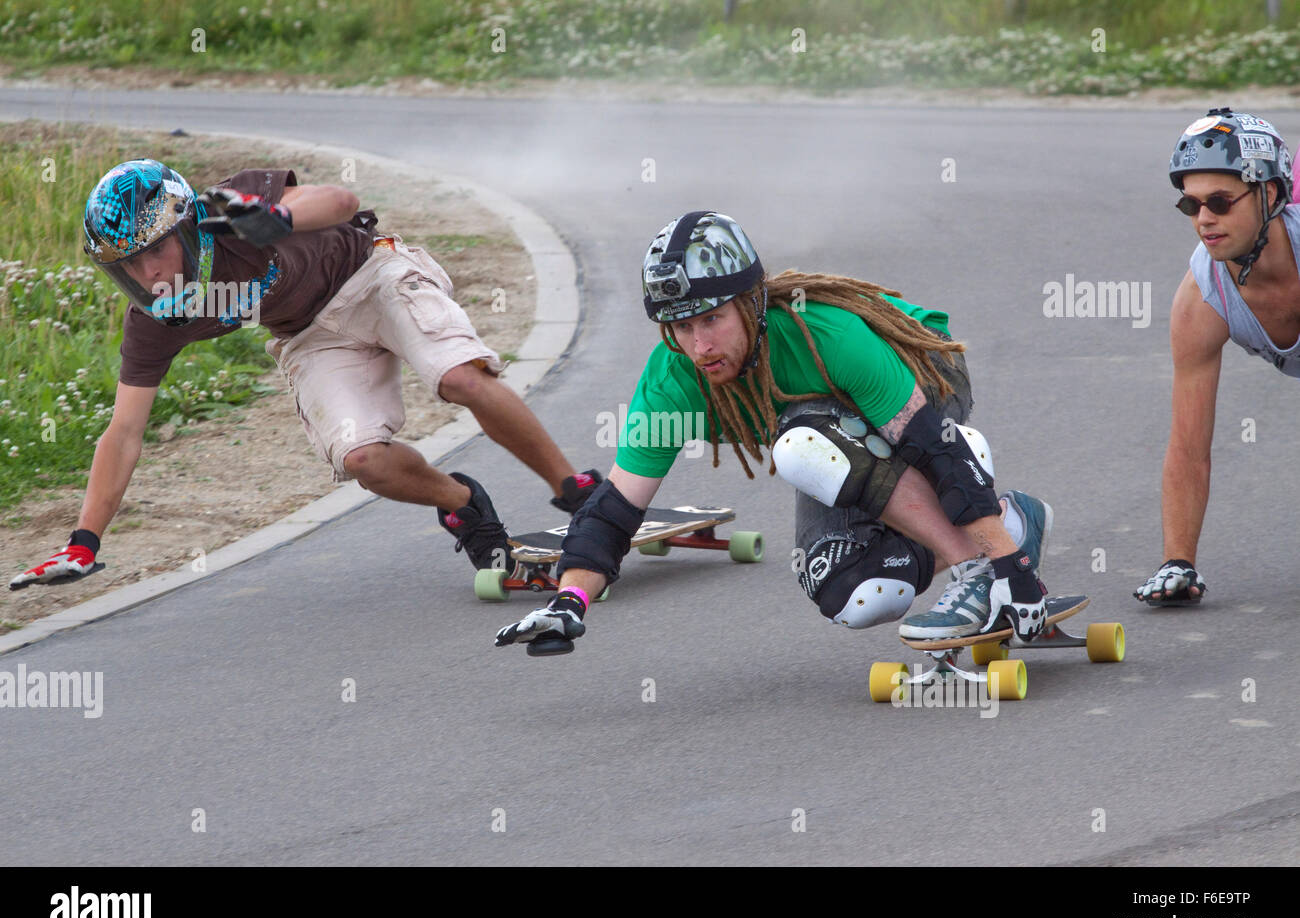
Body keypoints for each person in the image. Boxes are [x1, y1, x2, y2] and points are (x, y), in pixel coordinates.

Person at [9, 159, 597, 591]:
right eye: (125, 267)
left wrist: (277, 217)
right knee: (361, 461)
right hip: (309, 333)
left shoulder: (229, 207)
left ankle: (576, 495)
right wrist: (84, 542)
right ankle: (465, 507)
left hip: (373, 272)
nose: (145, 275)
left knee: (458, 379)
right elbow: (124, 432)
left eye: (152, 252)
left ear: (187, 228)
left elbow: (342, 199)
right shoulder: (154, 320)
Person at [492, 210, 1052, 656]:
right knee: (854, 595)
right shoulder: (672, 381)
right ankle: (1011, 520)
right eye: (681, 326)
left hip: (925, 377)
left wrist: (1012, 572)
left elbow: (937, 450)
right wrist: (570, 600)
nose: (699, 346)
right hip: (837, 439)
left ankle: (979, 567)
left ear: (752, 303)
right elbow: (613, 513)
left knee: (802, 444)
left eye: (711, 319)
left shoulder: (824, 333)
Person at [1135, 108, 1296, 606]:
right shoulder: (1201, 301)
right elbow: (1188, 447)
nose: (1205, 220)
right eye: (1191, 205)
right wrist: (1177, 560)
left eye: (1221, 202)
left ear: (1269, 194)